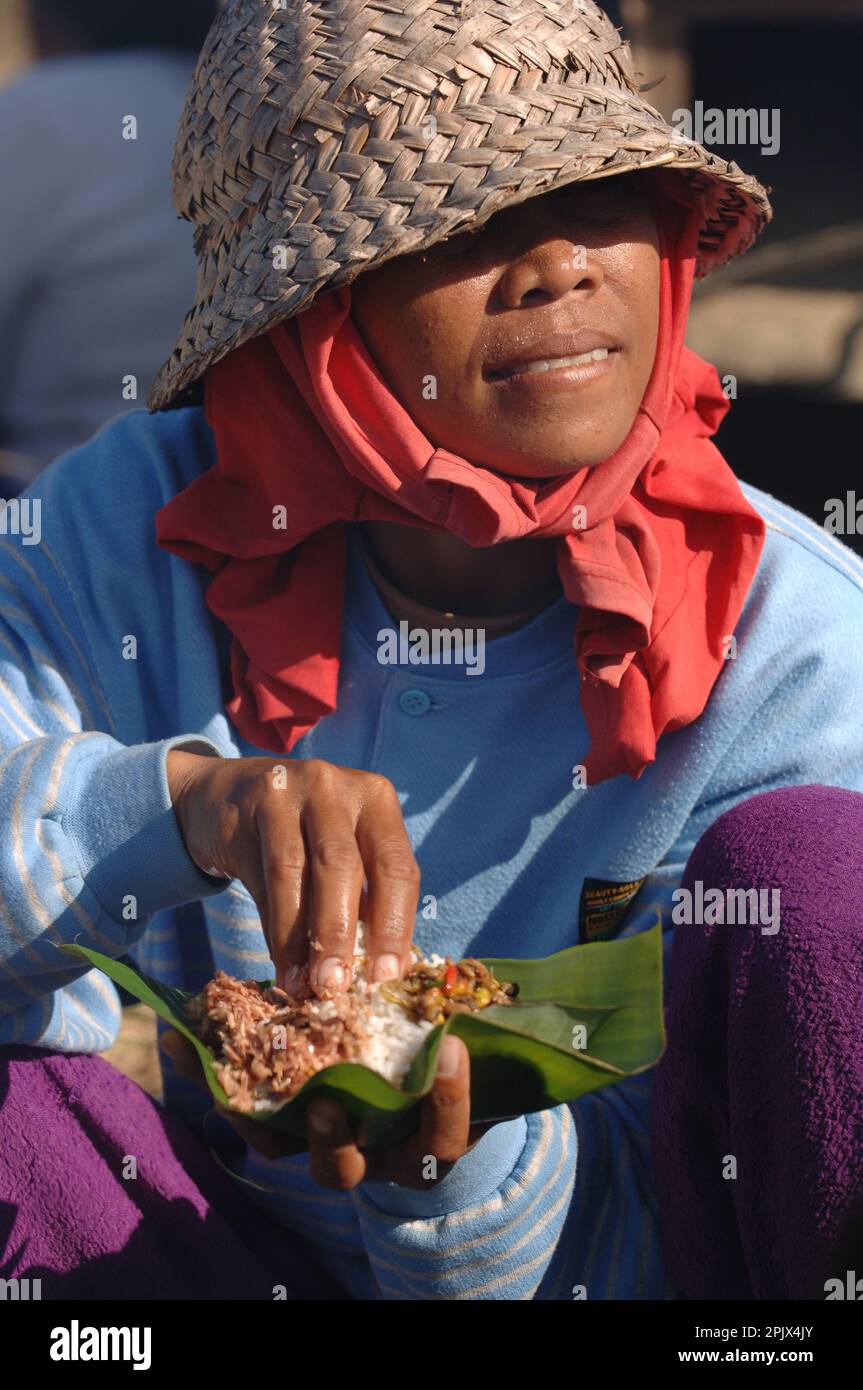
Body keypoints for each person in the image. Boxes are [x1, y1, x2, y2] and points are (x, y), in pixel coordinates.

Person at [0, 0, 861, 1302]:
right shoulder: (121, 531)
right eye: (456, 218)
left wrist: (459, 1161)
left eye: (602, 193)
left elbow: (661, 1224)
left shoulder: (787, 642)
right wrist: (180, 807)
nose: (559, 262)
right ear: (305, 311)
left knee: (824, 877)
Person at [0, 0, 218, 485]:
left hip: (63, 504)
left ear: (48, 19)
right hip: (247, 507)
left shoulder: (41, 110)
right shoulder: (249, 106)